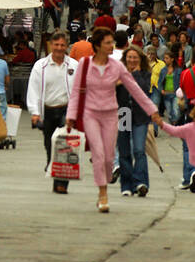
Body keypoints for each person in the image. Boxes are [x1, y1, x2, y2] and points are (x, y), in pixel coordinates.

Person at [66, 26, 159, 212]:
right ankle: (103, 194)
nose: (112, 46)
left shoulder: (117, 66)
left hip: (110, 115)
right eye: (108, 43)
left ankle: (105, 181)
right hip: (91, 114)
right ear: (98, 45)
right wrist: (70, 115)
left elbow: (135, 89)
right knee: (99, 154)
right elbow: (76, 92)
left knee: (109, 158)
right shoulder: (84, 64)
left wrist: (152, 111)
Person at [27, 31, 78, 193]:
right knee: (50, 146)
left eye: (62, 45)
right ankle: (53, 168)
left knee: (64, 145)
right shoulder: (40, 66)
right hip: (48, 111)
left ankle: (62, 183)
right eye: (56, 45)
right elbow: (33, 90)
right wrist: (34, 112)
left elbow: (78, 90)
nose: (59, 48)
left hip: (66, 110)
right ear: (50, 45)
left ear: (66, 46)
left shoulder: (74, 66)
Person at [115, 44, 152, 197]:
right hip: (123, 113)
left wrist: (133, 75)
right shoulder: (118, 73)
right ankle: (126, 185)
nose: (132, 60)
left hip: (140, 116)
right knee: (124, 151)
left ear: (140, 59)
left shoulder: (144, 74)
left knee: (138, 149)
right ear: (125, 59)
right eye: (129, 57)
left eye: (135, 57)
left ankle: (141, 182)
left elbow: (143, 89)